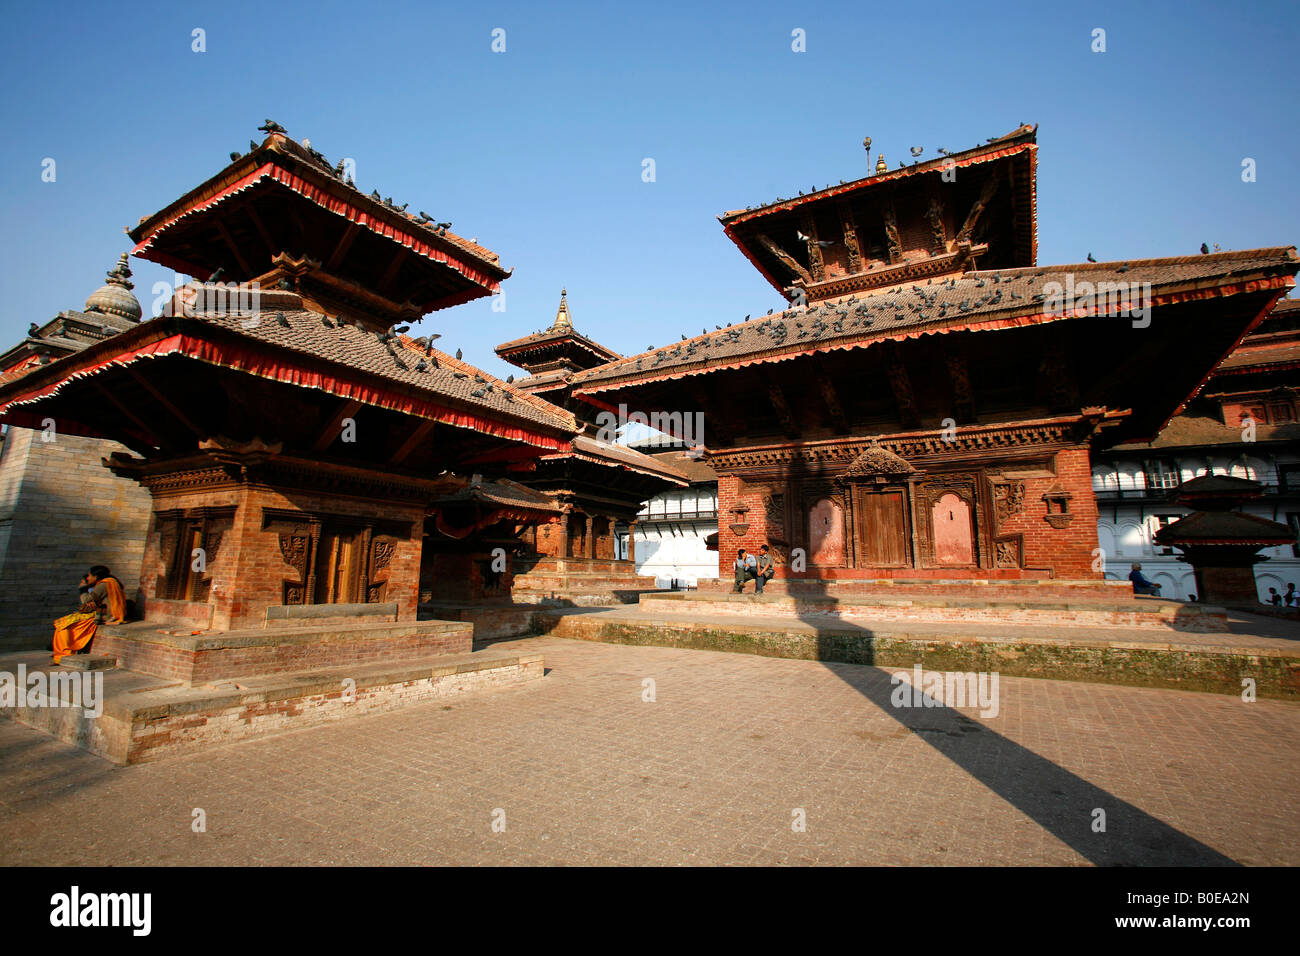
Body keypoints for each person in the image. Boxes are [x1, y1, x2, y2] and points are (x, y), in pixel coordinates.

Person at [51, 565, 126, 664]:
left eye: (90, 575)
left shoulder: (104, 585)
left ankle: (63, 654)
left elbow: (86, 600)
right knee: (63, 623)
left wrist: (83, 589)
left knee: (63, 626)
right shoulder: (109, 582)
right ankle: (61, 650)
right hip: (100, 613)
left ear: (96, 576)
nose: (88, 578)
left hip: (103, 616)